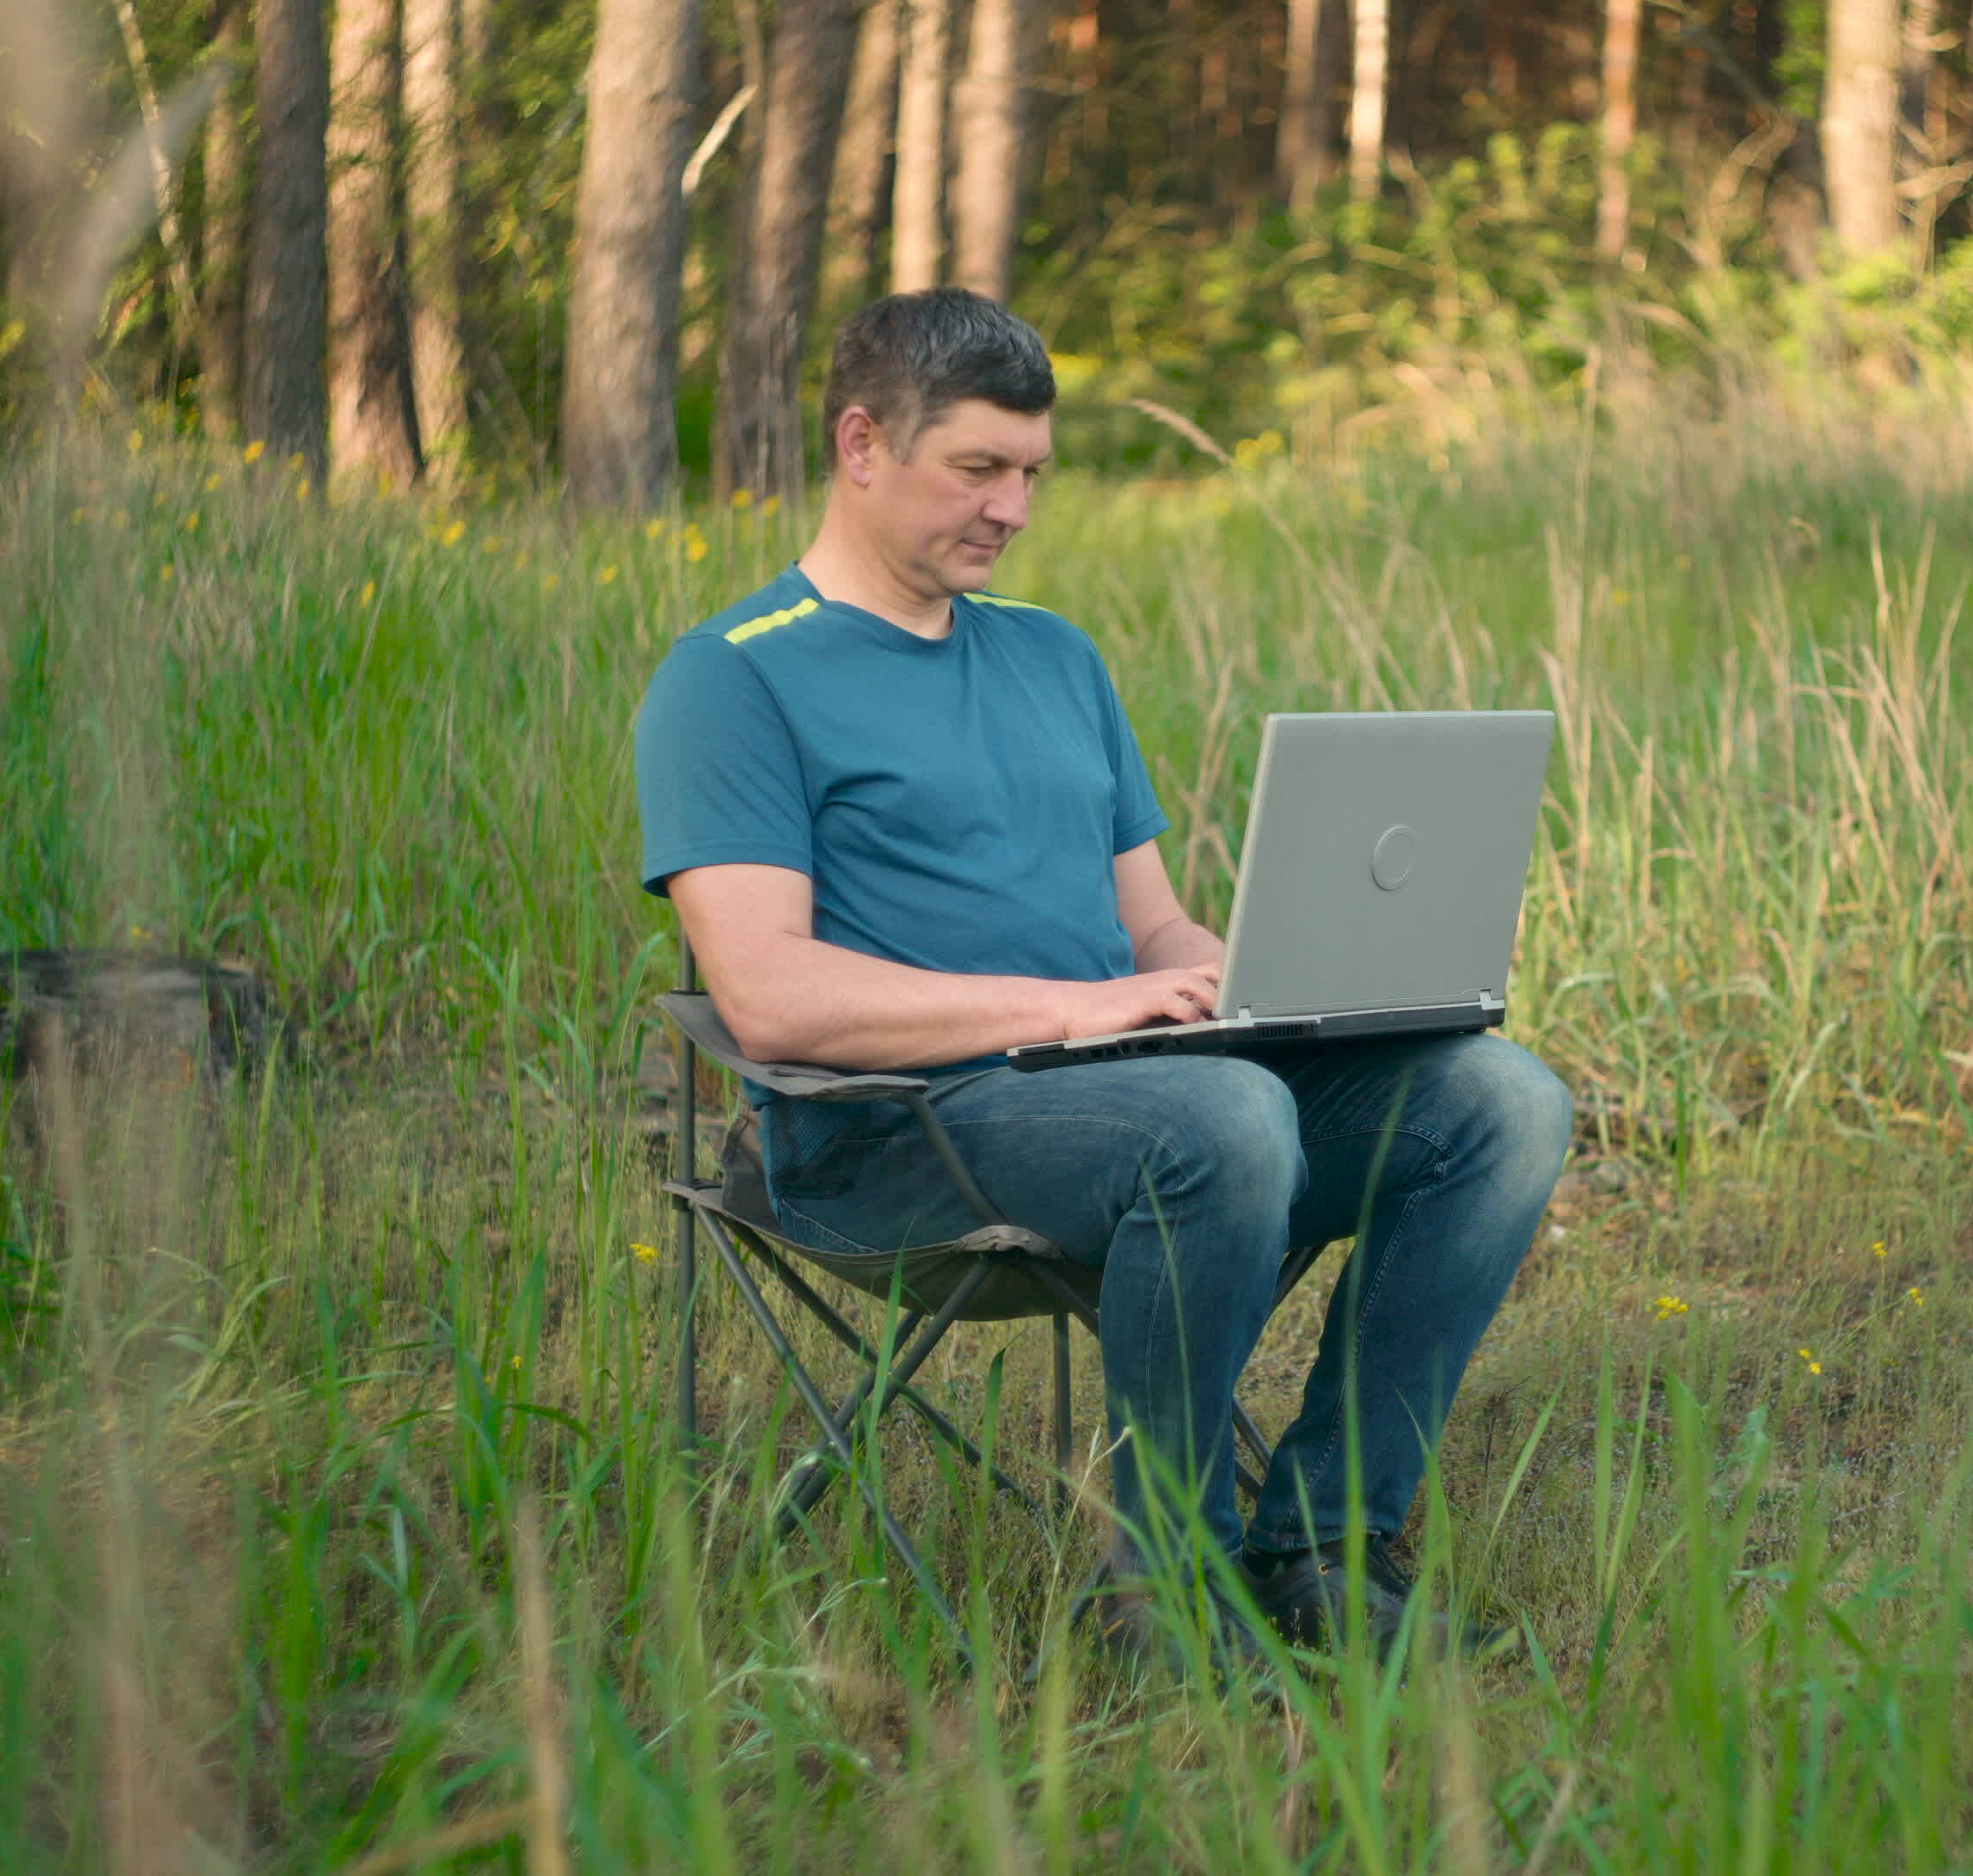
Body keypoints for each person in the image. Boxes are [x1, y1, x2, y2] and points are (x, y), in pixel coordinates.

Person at [631, 288, 1571, 1656]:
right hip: (894, 1139)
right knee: (1225, 1120)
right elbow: (769, 992)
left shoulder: (1053, 658)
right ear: (860, 445)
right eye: (979, 469)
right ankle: (1165, 1590)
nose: (1013, 508)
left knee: (1502, 1104)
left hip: (1125, 1098)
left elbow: (1156, 934)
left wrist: (1261, 986)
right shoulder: (733, 679)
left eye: (1032, 475)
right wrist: (1082, 1013)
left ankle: (1322, 1545)